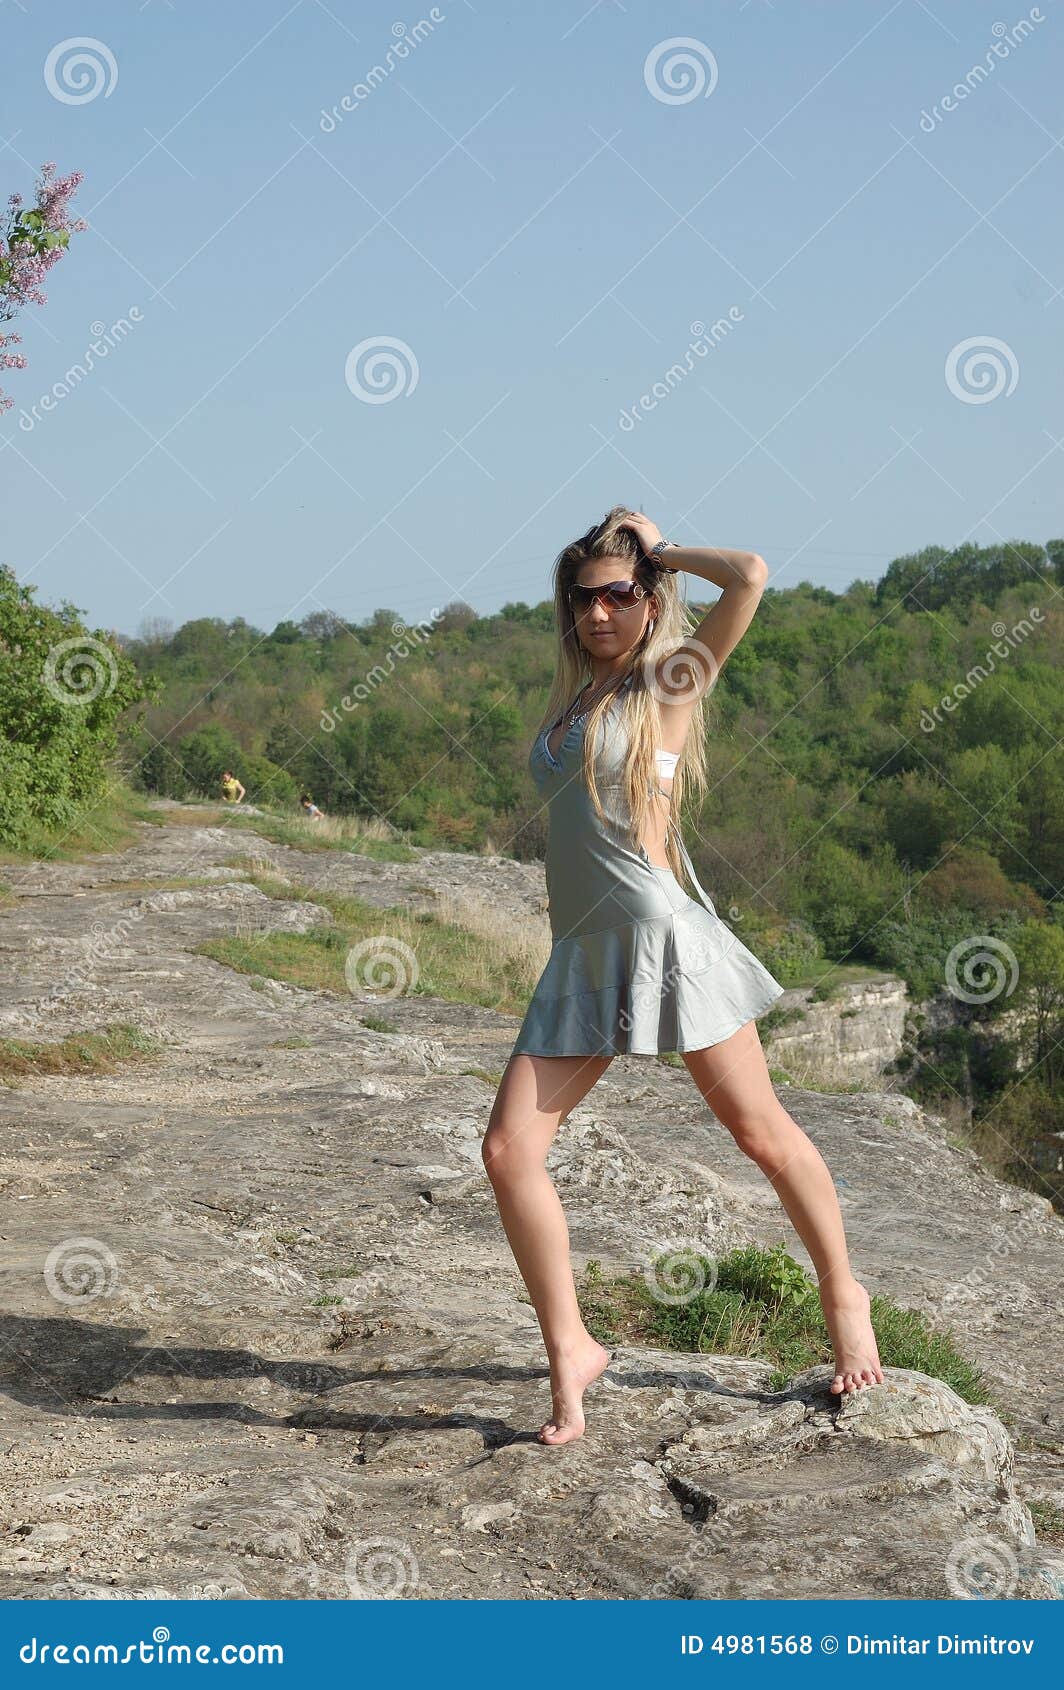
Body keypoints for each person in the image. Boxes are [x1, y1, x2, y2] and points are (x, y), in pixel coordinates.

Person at [482, 506, 884, 1446]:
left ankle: (844, 1294)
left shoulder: (667, 684)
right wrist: (622, 567)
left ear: (650, 599)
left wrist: (659, 551)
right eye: (583, 599)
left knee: (760, 1133)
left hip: (663, 943)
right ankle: (571, 1347)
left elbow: (748, 573)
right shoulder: (573, 700)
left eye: (618, 595)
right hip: (583, 955)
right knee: (508, 1152)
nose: (597, 613)